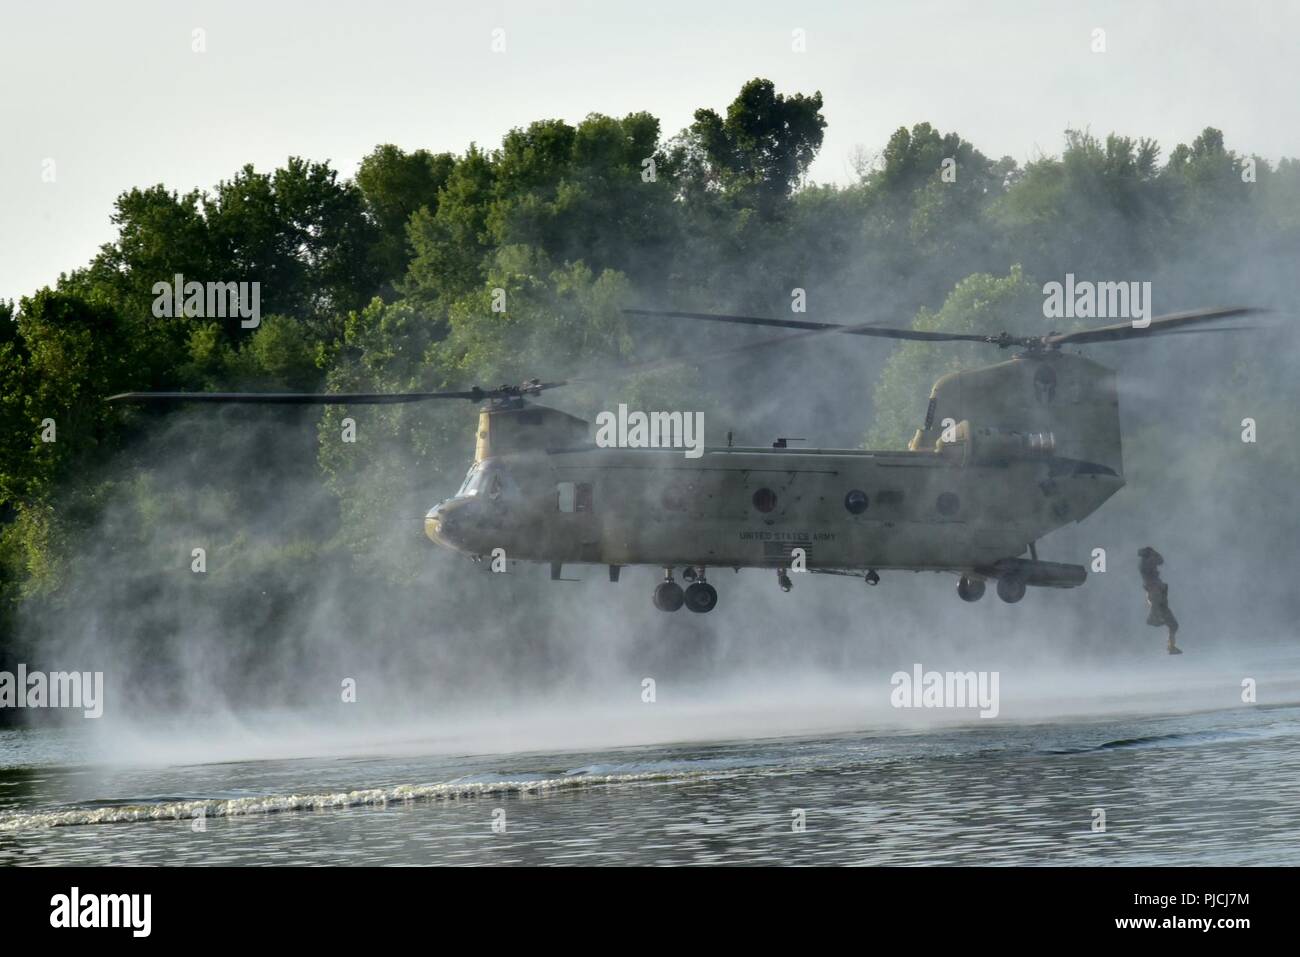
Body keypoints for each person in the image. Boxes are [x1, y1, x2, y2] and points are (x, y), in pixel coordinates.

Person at [1138, 546, 1181, 655]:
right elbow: (1160, 560)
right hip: (1155, 593)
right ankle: (1153, 618)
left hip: (1159, 592)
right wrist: (1154, 553)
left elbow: (1159, 561)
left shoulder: (1147, 563)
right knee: (1156, 613)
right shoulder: (1146, 563)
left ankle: (1171, 647)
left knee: (1173, 624)